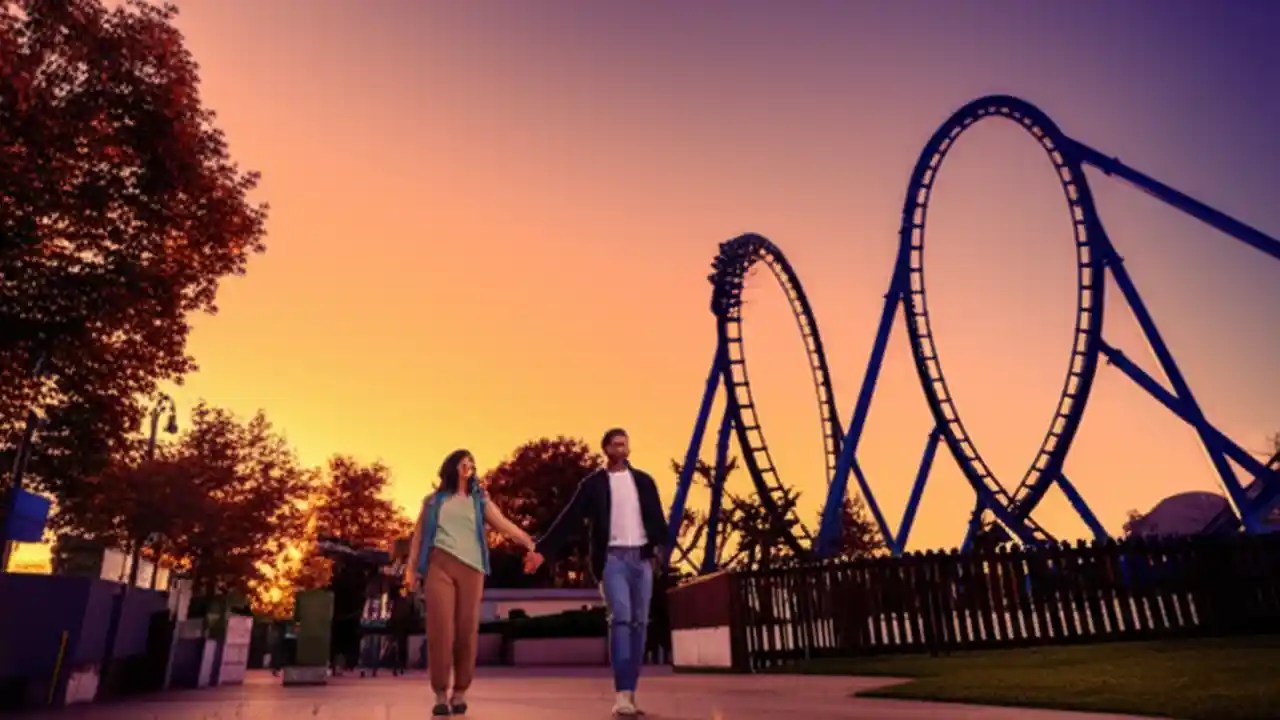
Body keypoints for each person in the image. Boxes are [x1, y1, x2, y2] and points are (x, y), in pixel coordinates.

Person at [524, 428, 668, 716]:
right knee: (622, 619)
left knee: (639, 623)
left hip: (641, 559)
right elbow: (569, 518)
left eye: (626, 444)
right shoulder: (593, 485)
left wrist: (661, 553)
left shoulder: (644, 481)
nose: (623, 449)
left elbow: (657, 520)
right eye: (616, 445)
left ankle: (632, 691)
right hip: (613, 560)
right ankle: (622, 695)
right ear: (606, 449)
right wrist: (542, 551)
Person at [406, 449, 539, 717]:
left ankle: (460, 692)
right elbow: (418, 536)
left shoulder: (480, 501)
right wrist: (411, 570)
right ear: (452, 467)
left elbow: (503, 524)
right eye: (463, 463)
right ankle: (441, 693)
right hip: (438, 565)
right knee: (441, 630)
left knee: (466, 630)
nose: (469, 467)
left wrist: (528, 541)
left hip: (472, 568)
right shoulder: (433, 501)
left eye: (472, 464)